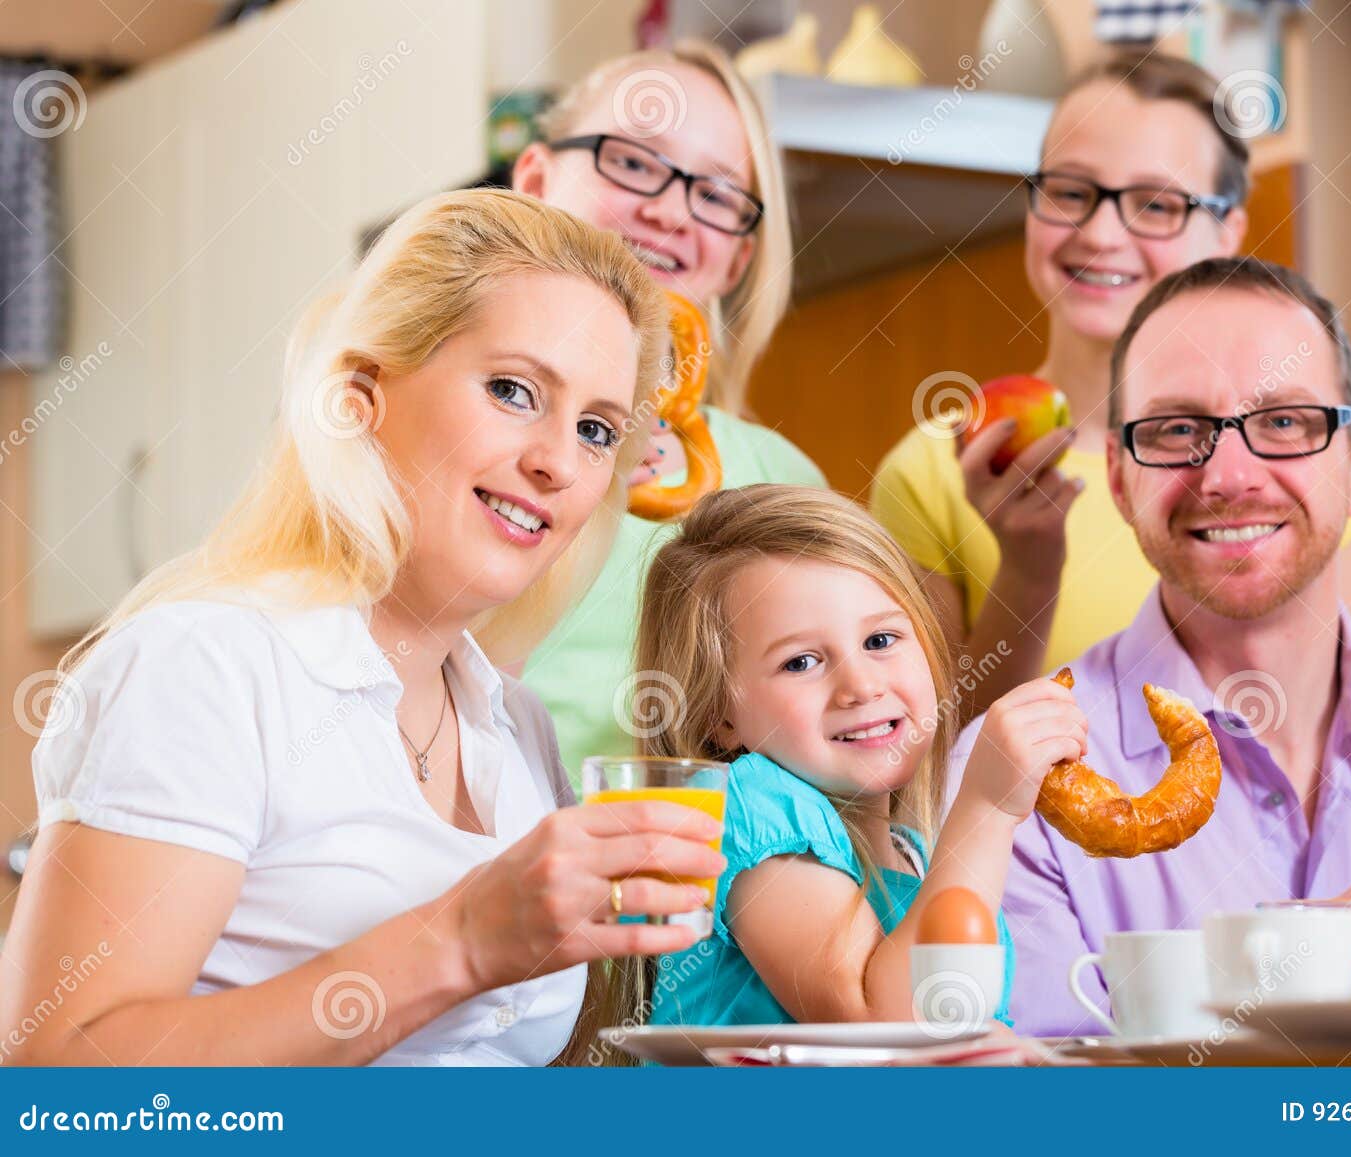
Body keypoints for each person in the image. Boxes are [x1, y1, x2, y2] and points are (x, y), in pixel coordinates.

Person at [0, 190, 726, 1066]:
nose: (558, 462)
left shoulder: (512, 723)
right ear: (362, 394)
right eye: (512, 389)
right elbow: (60, 1085)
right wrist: (459, 938)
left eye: (597, 429)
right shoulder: (206, 665)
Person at [951, 256, 1351, 1037]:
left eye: (1284, 421)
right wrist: (1305, 976)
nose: (1228, 473)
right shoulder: (1010, 787)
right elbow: (1033, 1118)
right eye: (1177, 429)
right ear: (1119, 480)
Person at [871, 52, 1351, 718]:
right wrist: (1027, 576)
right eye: (1071, 191)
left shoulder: (1305, 459)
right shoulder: (935, 472)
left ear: (1229, 233)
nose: (1099, 233)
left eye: (1156, 204)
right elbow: (932, 777)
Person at [628, 485, 1087, 1026]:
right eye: (800, 662)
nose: (861, 686)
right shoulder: (748, 808)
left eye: (880, 640)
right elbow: (880, 1024)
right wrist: (986, 810)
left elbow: (962, 1041)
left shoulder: (915, 857)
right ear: (719, 718)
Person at [510, 42, 825, 771]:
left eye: (715, 195)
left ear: (737, 259)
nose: (670, 210)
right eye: (633, 161)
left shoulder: (782, 480)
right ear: (535, 180)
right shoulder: (453, 436)